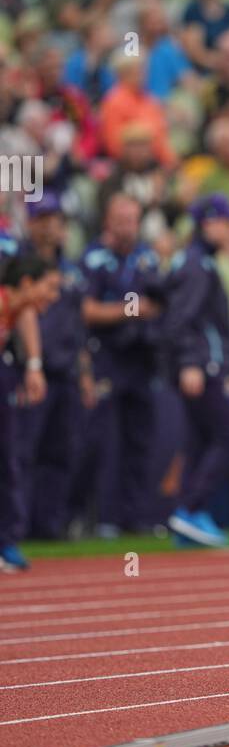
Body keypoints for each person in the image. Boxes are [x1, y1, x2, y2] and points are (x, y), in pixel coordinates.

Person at [161, 194, 229, 547]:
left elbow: (215, 324)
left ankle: (189, 521)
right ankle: (189, 508)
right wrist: (190, 363)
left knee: (199, 442)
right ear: (208, 224)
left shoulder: (202, 263)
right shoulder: (197, 265)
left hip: (211, 364)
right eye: (226, 223)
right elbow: (182, 320)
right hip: (202, 366)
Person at [80, 192, 163, 535]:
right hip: (106, 357)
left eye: (133, 220)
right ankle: (103, 519)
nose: (128, 227)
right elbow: (86, 310)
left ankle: (137, 517)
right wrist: (131, 310)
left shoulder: (147, 257)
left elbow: (160, 303)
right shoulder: (94, 258)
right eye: (121, 220)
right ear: (107, 221)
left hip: (141, 358)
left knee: (140, 440)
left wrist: (141, 311)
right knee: (102, 441)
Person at [16, 194, 92, 541]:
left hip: (66, 371)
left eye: (56, 219)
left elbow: (80, 326)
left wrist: (86, 373)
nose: (50, 226)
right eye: (43, 218)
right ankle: (19, 524)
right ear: (30, 222)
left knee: (63, 450)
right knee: (22, 450)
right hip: (27, 369)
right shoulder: (16, 264)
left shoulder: (72, 270)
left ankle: (50, 525)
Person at [0, 250, 58, 572]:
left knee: (9, 457)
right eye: (49, 288)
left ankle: (6, 540)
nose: (54, 296)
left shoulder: (13, 308)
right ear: (26, 283)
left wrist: (33, 366)